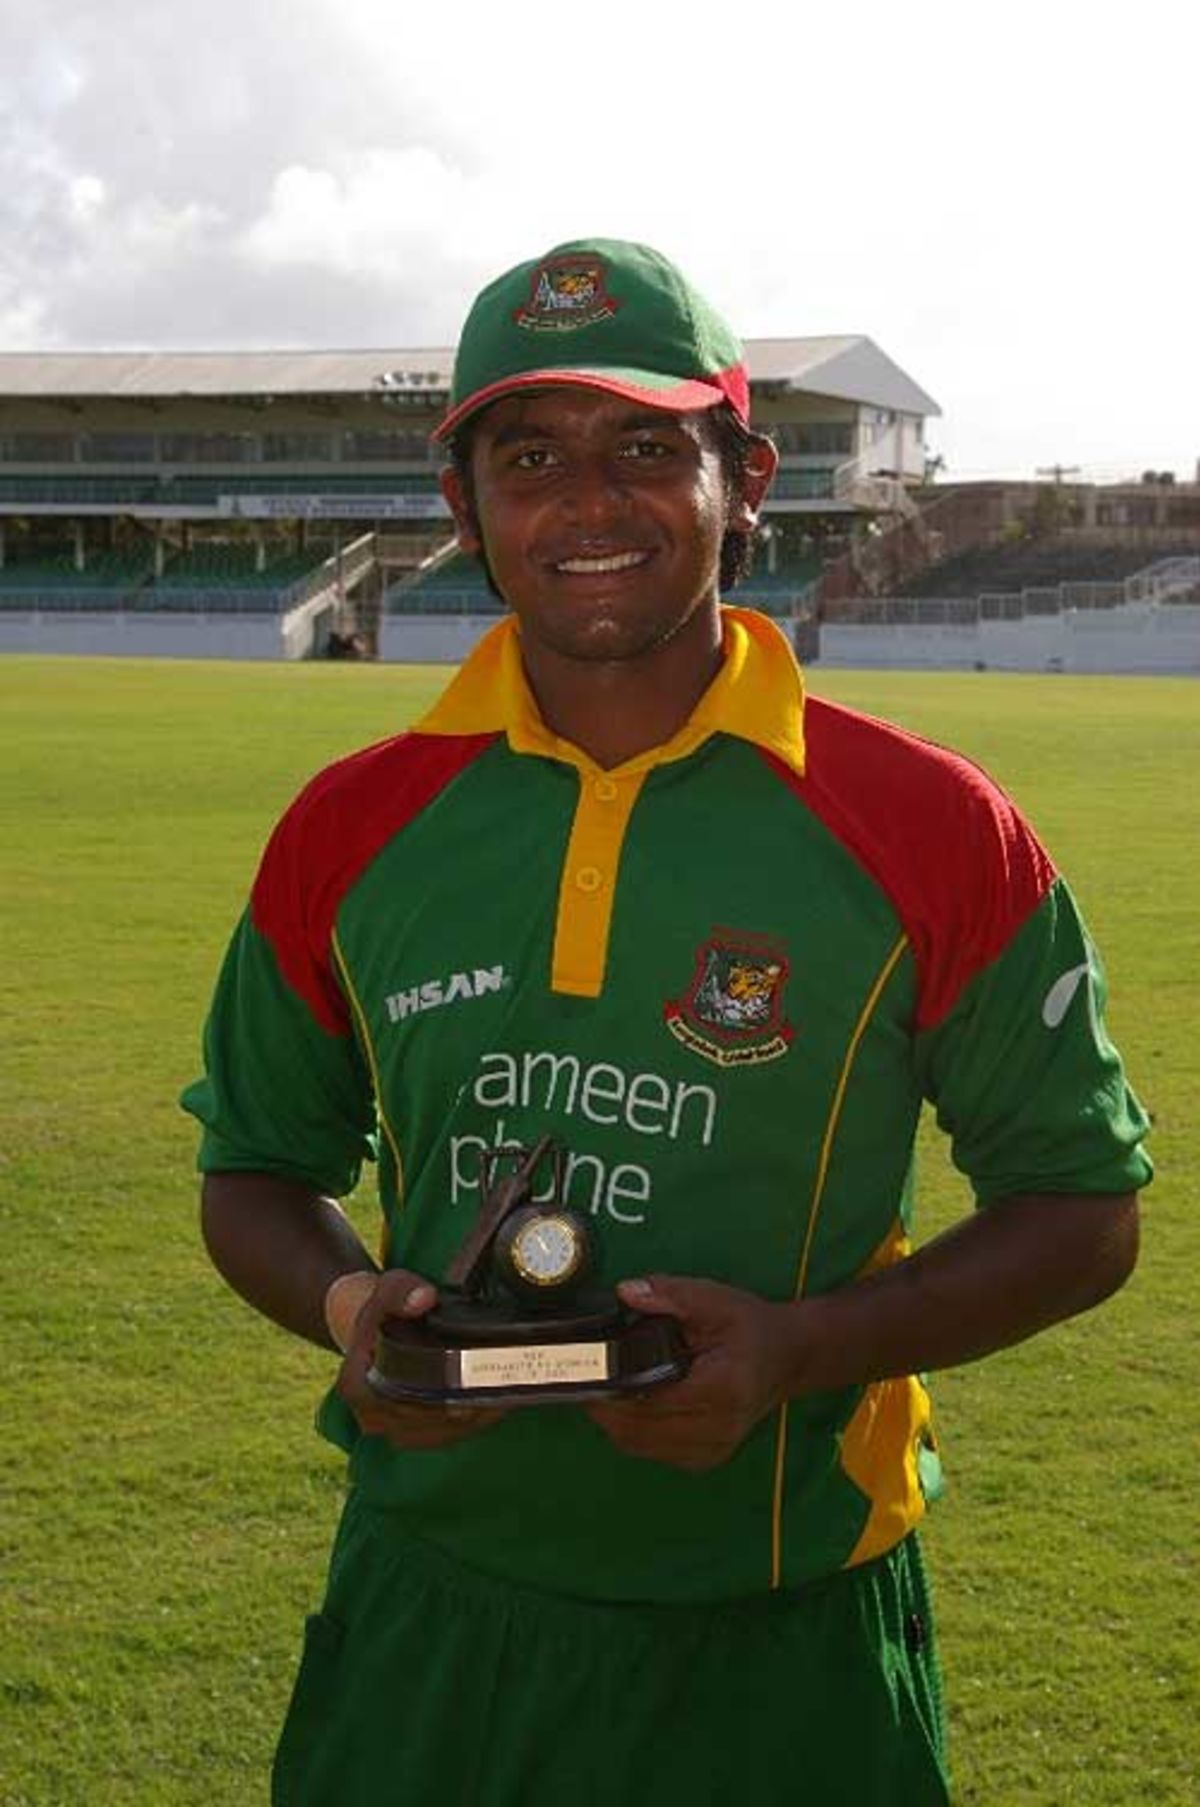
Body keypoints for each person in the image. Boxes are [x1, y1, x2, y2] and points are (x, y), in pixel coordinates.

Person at [182, 238, 1152, 1806]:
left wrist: (802, 1351)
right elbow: (254, 1170)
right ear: (465, 508)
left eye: (648, 445)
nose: (587, 501)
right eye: (530, 456)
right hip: (432, 1608)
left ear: (746, 476)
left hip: (782, 1631)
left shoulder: (930, 826)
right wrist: (351, 1310)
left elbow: (1083, 1212)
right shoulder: (349, 829)